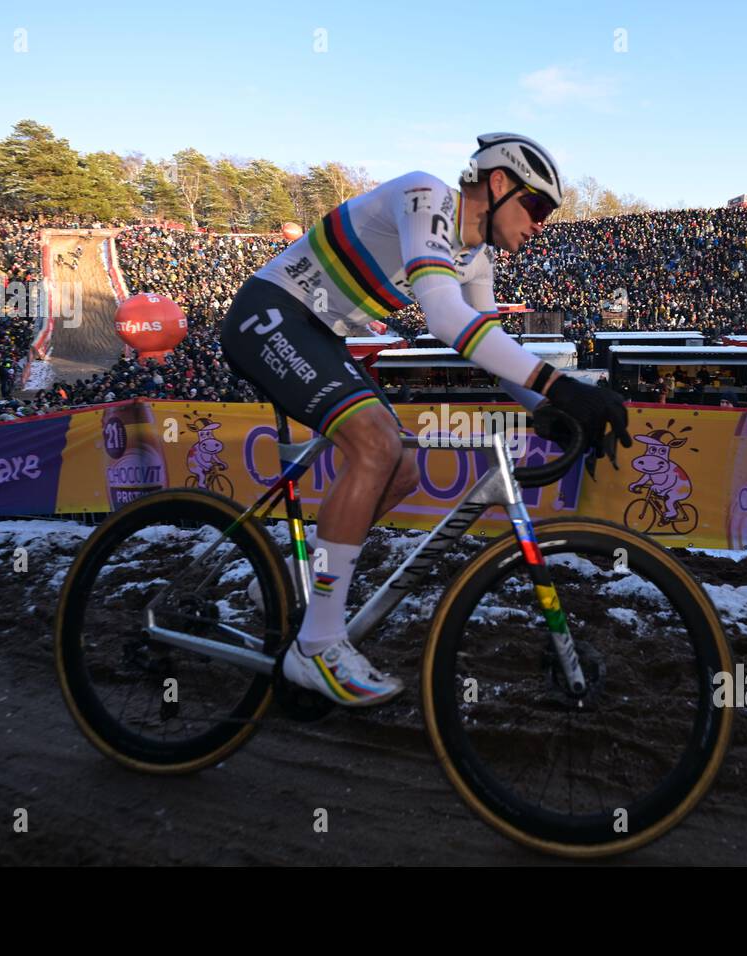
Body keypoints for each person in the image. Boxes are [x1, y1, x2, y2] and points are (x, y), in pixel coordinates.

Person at [220, 133, 631, 707]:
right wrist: (557, 383)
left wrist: (549, 407)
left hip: (322, 335)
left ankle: (297, 572)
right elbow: (443, 315)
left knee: (403, 469)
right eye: (535, 206)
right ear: (497, 184)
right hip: (271, 312)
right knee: (374, 444)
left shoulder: (476, 258)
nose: (540, 224)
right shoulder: (425, 196)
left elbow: (484, 345)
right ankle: (316, 645)